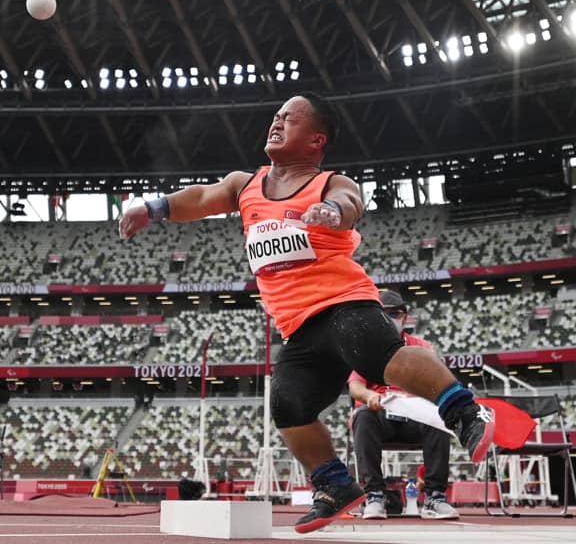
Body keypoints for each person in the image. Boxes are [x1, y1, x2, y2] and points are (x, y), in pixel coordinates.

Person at [117, 94, 495, 533]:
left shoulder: (330, 182)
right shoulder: (245, 184)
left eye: (289, 120)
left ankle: (465, 412)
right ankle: (334, 484)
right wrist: (153, 207)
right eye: (275, 117)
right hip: (297, 326)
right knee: (288, 405)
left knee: (377, 354)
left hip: (342, 301)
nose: (275, 124)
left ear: (316, 139)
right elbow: (202, 197)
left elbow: (351, 203)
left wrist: (332, 212)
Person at [349, 290, 459, 520]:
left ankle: (435, 496)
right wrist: (370, 396)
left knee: (439, 415)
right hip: (380, 412)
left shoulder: (422, 348)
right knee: (362, 415)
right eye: (383, 313)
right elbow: (355, 388)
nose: (389, 318)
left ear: (405, 317)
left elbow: (436, 383)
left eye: (394, 313)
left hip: (413, 415)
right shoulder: (364, 348)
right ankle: (375, 495)